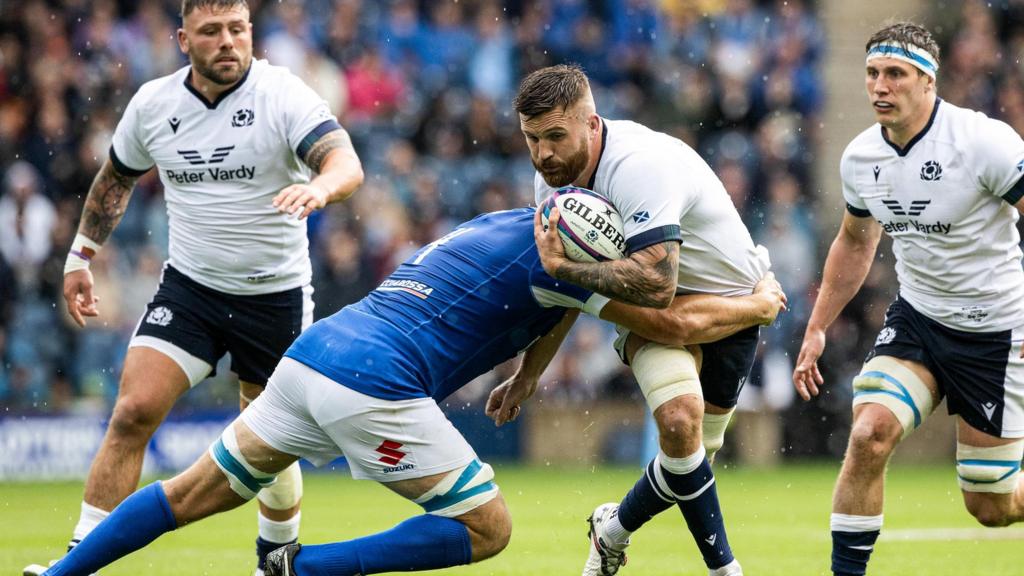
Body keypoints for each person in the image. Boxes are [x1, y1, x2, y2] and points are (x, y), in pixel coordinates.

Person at [38, 207, 787, 576]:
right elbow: (677, 317)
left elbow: (522, 308)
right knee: (488, 527)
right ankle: (300, 567)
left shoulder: (501, 220)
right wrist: (756, 305)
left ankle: (61, 574)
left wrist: (526, 369)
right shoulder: (564, 265)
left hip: (315, 353)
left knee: (193, 492)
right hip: (374, 383)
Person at [25, 1, 365, 575]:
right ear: (184, 39)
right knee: (133, 411)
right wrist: (79, 256)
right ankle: (80, 559)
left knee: (268, 443)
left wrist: (322, 188)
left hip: (273, 295)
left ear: (251, 32)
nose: (229, 42)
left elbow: (345, 162)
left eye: (238, 29)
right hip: (191, 290)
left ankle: (274, 559)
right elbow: (115, 180)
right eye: (212, 32)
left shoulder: (282, 94)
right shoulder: (155, 104)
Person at [516, 64, 774, 576]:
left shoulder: (637, 165)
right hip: (657, 314)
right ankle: (726, 569)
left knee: (690, 463)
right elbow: (590, 295)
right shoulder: (552, 182)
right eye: (531, 138)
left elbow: (654, 281)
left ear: (592, 125)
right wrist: (529, 373)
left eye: (554, 136)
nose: (542, 154)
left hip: (728, 309)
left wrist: (565, 269)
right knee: (679, 426)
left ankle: (611, 529)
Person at [791, 22, 1024, 576]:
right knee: (870, 433)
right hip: (919, 319)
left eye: (895, 74)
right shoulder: (861, 157)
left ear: (927, 81)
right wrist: (819, 325)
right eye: (872, 73)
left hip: (997, 330)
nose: (880, 86)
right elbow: (854, 240)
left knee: (991, 507)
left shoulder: (983, 143)